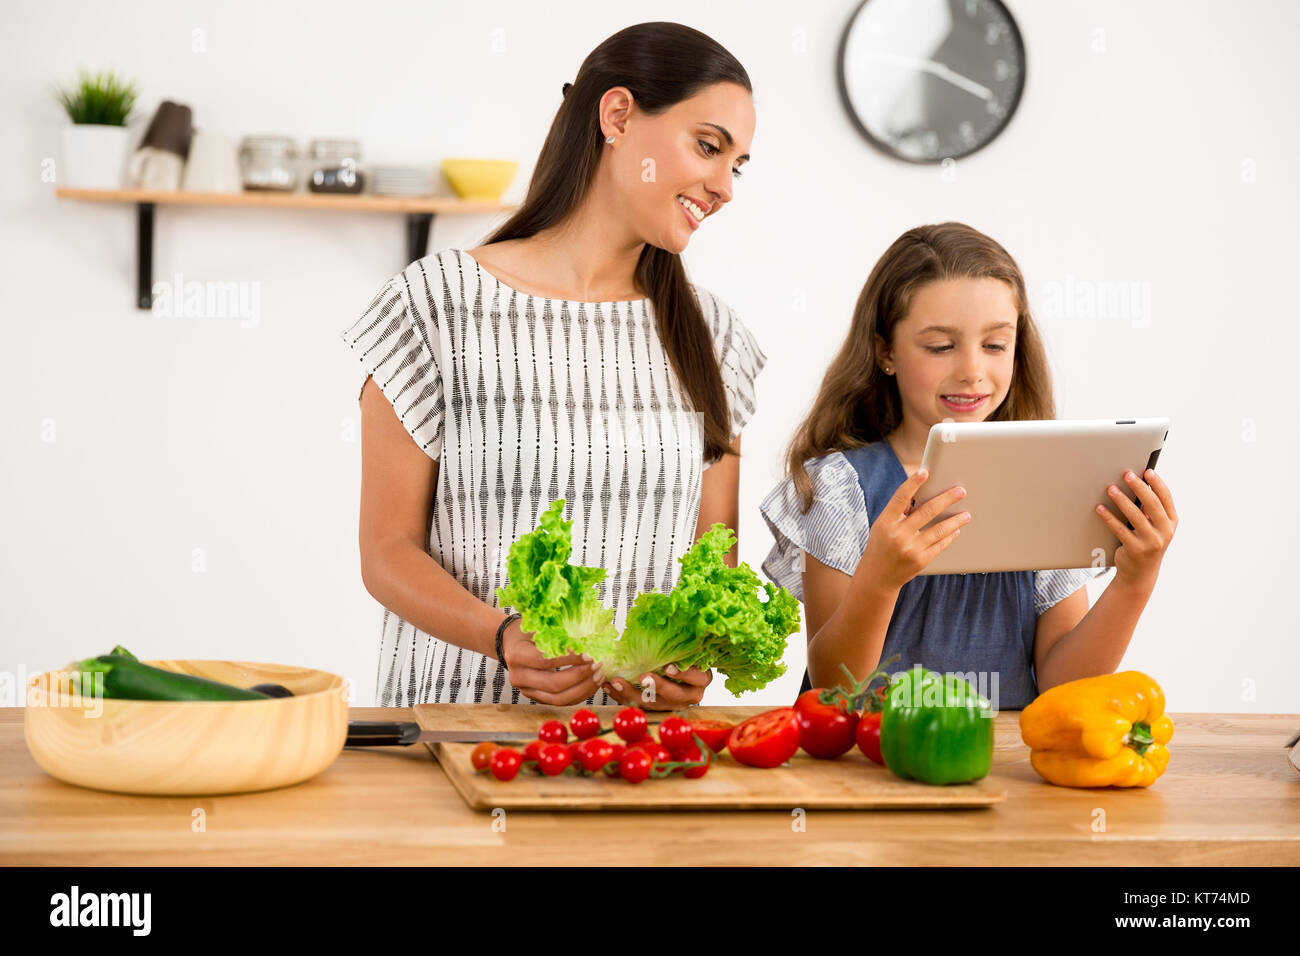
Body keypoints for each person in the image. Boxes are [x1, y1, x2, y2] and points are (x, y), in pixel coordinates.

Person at [339, 22, 762, 709]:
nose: (724, 187)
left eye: (736, 165)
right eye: (708, 147)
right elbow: (387, 551)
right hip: (458, 735)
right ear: (618, 115)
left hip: (635, 757)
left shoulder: (713, 336)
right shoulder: (438, 302)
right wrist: (502, 635)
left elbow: (713, 563)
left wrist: (690, 654)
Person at [758, 222, 1178, 708]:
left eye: (995, 345)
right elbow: (835, 689)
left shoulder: (1047, 485)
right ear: (884, 351)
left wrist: (1135, 578)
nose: (972, 370)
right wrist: (881, 579)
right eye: (940, 346)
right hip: (864, 767)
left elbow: (1064, 689)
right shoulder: (840, 487)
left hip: (999, 770)